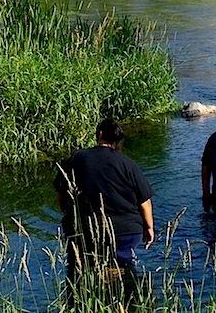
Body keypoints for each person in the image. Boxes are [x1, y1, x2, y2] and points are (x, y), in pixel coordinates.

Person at [54, 119, 154, 306]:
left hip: (85, 229)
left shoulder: (78, 158)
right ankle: (120, 298)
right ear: (118, 140)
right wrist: (149, 228)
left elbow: (60, 188)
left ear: (99, 134)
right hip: (126, 232)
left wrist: (67, 211)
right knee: (120, 268)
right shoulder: (127, 163)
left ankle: (81, 303)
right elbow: (144, 202)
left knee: (80, 269)